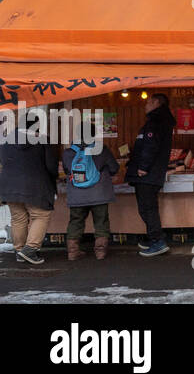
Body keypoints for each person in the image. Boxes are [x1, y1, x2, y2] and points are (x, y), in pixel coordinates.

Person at [0, 107, 60, 265]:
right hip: (36, 186)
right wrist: (55, 177)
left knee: (18, 218)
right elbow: (51, 166)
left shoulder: (5, 141)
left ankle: (20, 250)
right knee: (40, 215)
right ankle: (30, 250)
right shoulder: (42, 140)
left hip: (9, 186)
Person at [126, 93, 176, 257]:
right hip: (151, 173)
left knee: (148, 208)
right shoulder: (161, 121)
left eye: (148, 102)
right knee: (147, 208)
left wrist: (143, 167)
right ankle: (154, 238)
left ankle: (157, 240)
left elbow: (150, 146)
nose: (145, 106)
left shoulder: (156, 122)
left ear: (156, 103)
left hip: (147, 174)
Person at [62, 138, 119, 261]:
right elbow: (114, 168)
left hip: (77, 195)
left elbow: (67, 170)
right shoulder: (101, 150)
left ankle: (72, 252)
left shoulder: (68, 152)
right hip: (99, 194)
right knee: (101, 222)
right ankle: (100, 252)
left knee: (75, 221)